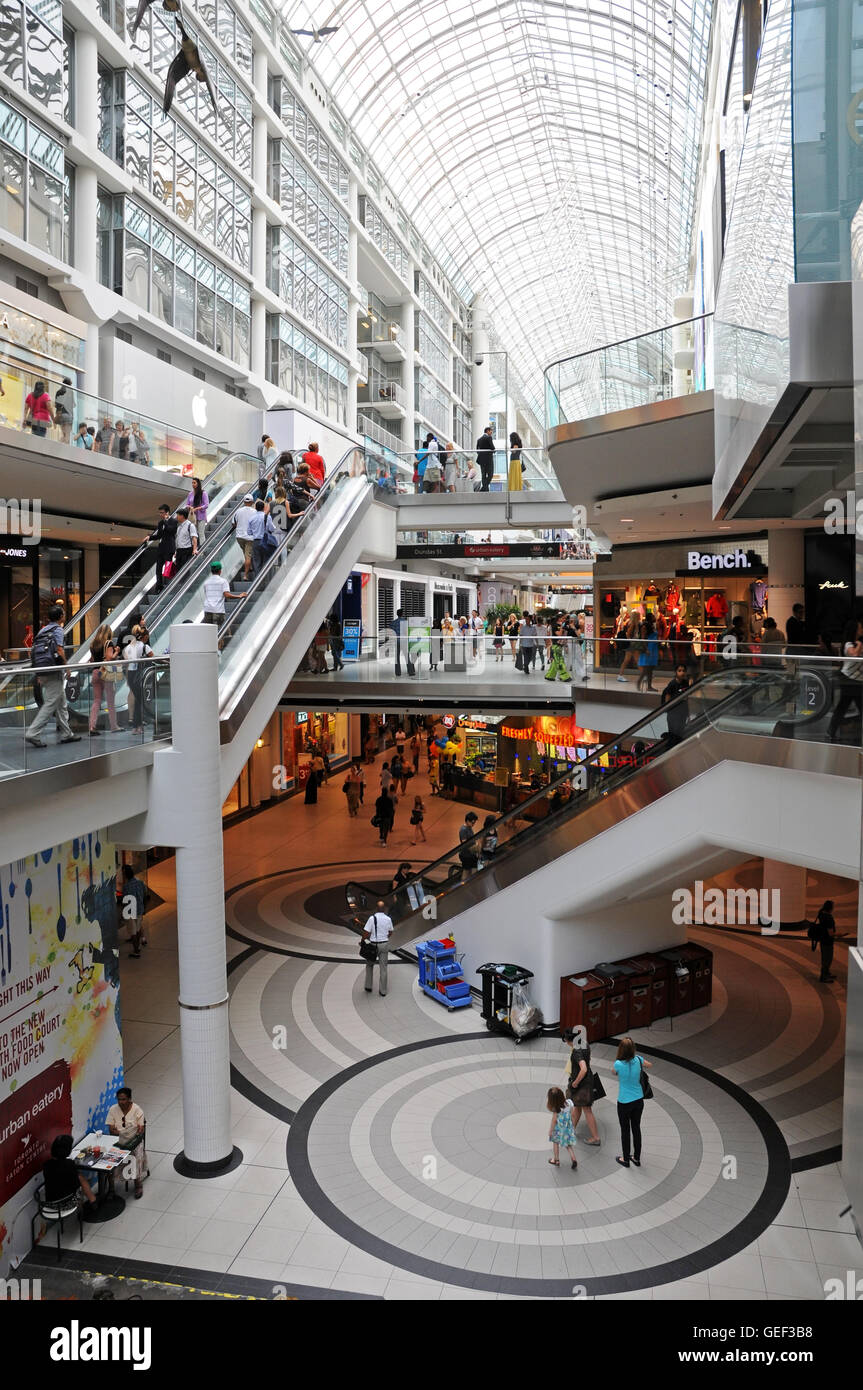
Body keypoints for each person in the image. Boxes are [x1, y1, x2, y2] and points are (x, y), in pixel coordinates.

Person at [26, 605, 81, 749]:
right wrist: (66, 667)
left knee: (61, 703)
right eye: (63, 613)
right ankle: (33, 732)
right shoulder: (57, 630)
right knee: (50, 703)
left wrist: (38, 673)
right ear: (60, 616)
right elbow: (59, 649)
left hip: (43, 670)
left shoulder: (43, 630)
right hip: (54, 671)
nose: (64, 615)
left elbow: (35, 651)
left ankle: (66, 733)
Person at [613, 1037, 652, 1168]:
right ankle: (636, 1157)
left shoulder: (618, 1064)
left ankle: (626, 1158)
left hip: (624, 1101)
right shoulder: (639, 1060)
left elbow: (613, 1072)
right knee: (636, 1128)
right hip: (638, 1100)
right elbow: (650, 1064)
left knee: (625, 1130)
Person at [42, 1134, 98, 1215]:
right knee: (81, 1179)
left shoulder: (46, 1164)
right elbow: (75, 1185)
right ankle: (92, 1202)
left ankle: (93, 1201)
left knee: (79, 1178)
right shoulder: (69, 1164)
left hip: (50, 1203)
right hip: (65, 1204)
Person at [106, 1086, 147, 1197]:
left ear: (129, 1099)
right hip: (118, 1142)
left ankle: (138, 1184)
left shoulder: (137, 1110)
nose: (121, 1102)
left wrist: (121, 1132)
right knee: (108, 1159)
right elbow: (111, 1130)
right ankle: (111, 1189)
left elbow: (139, 1130)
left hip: (134, 1142)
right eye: (119, 1099)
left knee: (134, 1156)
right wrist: (126, 1132)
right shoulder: (113, 1110)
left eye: (123, 1099)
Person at [828, 618, 863, 742]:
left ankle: (831, 731)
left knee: (843, 706)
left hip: (855, 680)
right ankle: (832, 731)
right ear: (854, 630)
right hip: (849, 680)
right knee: (846, 706)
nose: (861, 629)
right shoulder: (849, 644)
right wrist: (859, 644)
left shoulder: (856, 643)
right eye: (859, 628)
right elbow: (854, 654)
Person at [565, 1032, 601, 1144]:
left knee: (586, 1109)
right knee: (577, 1107)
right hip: (588, 1080)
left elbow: (583, 1068)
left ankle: (595, 1138)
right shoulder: (585, 1043)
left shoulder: (576, 1051)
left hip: (581, 1084)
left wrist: (575, 1083)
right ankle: (570, 1131)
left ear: (569, 1040)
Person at [89, 624, 121, 735]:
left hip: (95, 672)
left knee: (96, 700)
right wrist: (116, 651)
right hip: (105, 674)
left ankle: (92, 727)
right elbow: (109, 658)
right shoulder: (109, 643)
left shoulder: (93, 644)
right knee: (110, 701)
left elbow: (92, 660)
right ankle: (113, 726)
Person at [124, 624, 153, 734]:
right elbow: (154, 657)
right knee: (139, 701)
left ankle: (137, 726)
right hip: (140, 674)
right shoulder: (145, 647)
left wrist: (127, 678)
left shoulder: (129, 648)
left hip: (131, 675)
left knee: (137, 700)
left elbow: (126, 663)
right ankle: (137, 726)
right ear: (144, 636)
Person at [362, 901, 394, 995]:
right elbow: (391, 932)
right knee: (383, 968)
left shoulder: (372, 918)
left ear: (376, 908)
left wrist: (362, 940)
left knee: (369, 965)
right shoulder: (388, 919)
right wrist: (385, 937)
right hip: (384, 945)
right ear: (384, 909)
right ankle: (383, 991)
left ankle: (368, 986)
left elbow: (366, 932)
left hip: (373, 946)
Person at [148, 504, 177, 596]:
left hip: (169, 548)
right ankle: (158, 586)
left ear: (167, 512)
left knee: (167, 569)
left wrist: (165, 521)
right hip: (161, 548)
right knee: (158, 569)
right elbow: (159, 535)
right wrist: (149, 538)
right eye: (160, 513)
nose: (161, 514)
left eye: (162, 513)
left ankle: (168, 585)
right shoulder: (160, 523)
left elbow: (171, 531)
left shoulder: (173, 521)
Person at [547, 1087, 578, 1169]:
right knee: (568, 1145)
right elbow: (573, 1115)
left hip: (558, 1130)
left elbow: (554, 1121)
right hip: (567, 1129)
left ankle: (556, 1160)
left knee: (555, 1143)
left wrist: (550, 1131)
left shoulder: (556, 1109)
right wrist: (573, 1126)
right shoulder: (569, 1103)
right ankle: (573, 1159)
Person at [202, 560, 239, 628]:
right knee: (219, 630)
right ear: (220, 571)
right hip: (218, 610)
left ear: (211, 571)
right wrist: (239, 596)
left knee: (208, 631)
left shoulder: (206, 582)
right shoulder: (223, 581)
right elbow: (227, 595)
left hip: (207, 609)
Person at [120, 864, 146, 958]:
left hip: (131, 911)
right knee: (138, 929)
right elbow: (144, 894)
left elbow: (125, 901)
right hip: (139, 910)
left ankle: (136, 951)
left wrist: (123, 913)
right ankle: (137, 947)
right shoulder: (140, 883)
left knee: (133, 932)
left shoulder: (126, 886)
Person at [660, 664, 690, 745]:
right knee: (673, 732)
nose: (682, 673)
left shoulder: (686, 683)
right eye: (679, 671)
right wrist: (669, 710)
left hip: (682, 712)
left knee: (680, 731)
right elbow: (667, 699)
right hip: (673, 713)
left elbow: (686, 698)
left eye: (683, 671)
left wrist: (688, 713)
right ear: (676, 672)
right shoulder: (672, 684)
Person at [810, 899, 837, 983]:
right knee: (827, 959)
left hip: (822, 939)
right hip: (828, 941)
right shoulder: (829, 918)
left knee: (824, 957)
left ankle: (827, 973)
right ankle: (823, 976)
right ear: (830, 908)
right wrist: (840, 934)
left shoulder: (821, 913)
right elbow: (831, 933)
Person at [234, 495, 256, 579]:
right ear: (252, 502)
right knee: (248, 555)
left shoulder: (238, 511)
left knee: (245, 552)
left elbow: (233, 523)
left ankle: (249, 566)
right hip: (249, 537)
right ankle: (246, 575)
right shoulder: (254, 511)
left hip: (239, 537)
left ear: (244, 502)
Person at [617, 607, 641, 682]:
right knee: (635, 660)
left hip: (632, 644)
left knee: (628, 660)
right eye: (639, 616)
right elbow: (628, 634)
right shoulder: (633, 624)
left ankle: (620, 675)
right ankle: (644, 675)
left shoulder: (633, 624)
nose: (640, 617)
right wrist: (631, 642)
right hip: (632, 645)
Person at [636, 614, 659, 691]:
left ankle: (649, 686)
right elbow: (642, 638)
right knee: (647, 668)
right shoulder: (644, 626)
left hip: (653, 648)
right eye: (653, 616)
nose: (655, 617)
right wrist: (646, 649)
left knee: (650, 668)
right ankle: (639, 682)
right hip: (648, 648)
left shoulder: (652, 626)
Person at [391, 608, 415, 677]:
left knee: (397, 657)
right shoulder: (405, 622)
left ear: (397, 614)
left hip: (397, 641)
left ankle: (398, 672)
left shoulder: (393, 622)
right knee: (407, 656)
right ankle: (410, 671)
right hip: (404, 641)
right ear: (402, 614)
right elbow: (407, 632)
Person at [186, 477, 209, 545]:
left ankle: (203, 550)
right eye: (192, 483)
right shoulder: (190, 494)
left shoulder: (203, 493)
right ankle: (194, 549)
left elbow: (206, 505)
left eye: (194, 483)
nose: (193, 484)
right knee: (193, 534)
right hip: (193, 517)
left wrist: (197, 508)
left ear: (198, 484)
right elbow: (187, 504)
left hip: (201, 516)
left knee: (201, 533)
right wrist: (190, 507)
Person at [173, 507, 197, 573]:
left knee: (184, 570)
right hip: (179, 551)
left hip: (186, 551)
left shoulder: (190, 525)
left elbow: (194, 538)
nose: (176, 517)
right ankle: (179, 583)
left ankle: (184, 581)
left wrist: (194, 549)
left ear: (182, 516)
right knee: (178, 570)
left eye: (177, 515)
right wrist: (176, 551)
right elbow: (178, 539)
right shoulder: (179, 527)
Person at [54, 377, 75, 443]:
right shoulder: (70, 392)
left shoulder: (58, 392)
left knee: (64, 434)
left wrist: (57, 415)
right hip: (68, 415)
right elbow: (73, 405)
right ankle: (63, 448)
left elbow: (57, 405)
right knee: (67, 435)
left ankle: (59, 445)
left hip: (61, 415)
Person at [476, 425, 495, 491]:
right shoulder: (489, 438)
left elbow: (477, 450)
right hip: (489, 459)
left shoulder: (479, 439)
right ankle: (484, 488)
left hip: (481, 460)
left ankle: (484, 489)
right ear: (487, 431)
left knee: (483, 475)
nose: (491, 432)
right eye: (490, 431)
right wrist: (493, 451)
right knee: (490, 474)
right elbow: (492, 447)